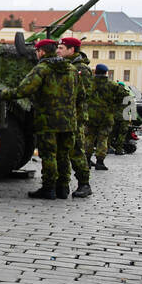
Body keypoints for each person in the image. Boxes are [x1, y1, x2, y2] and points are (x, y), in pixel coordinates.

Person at [3, 38, 78, 198]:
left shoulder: (42, 68)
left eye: (37, 51)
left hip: (48, 120)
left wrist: (3, 94)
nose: (36, 54)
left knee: (49, 154)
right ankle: (63, 188)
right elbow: (81, 94)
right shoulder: (71, 69)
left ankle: (49, 188)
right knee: (63, 154)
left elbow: (24, 90)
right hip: (68, 120)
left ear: (42, 51)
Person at [56, 37, 92, 197]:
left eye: (62, 48)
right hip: (65, 115)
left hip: (75, 116)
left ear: (72, 50)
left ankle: (84, 184)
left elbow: (84, 94)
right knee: (62, 151)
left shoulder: (80, 69)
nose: (58, 50)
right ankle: (62, 184)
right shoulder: (66, 66)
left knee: (76, 149)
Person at [86, 64, 118, 170]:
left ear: (95, 72)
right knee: (103, 139)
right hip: (106, 116)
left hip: (90, 115)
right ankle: (100, 162)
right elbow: (123, 97)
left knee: (89, 138)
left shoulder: (89, 83)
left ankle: (87, 160)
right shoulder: (113, 85)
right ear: (106, 73)